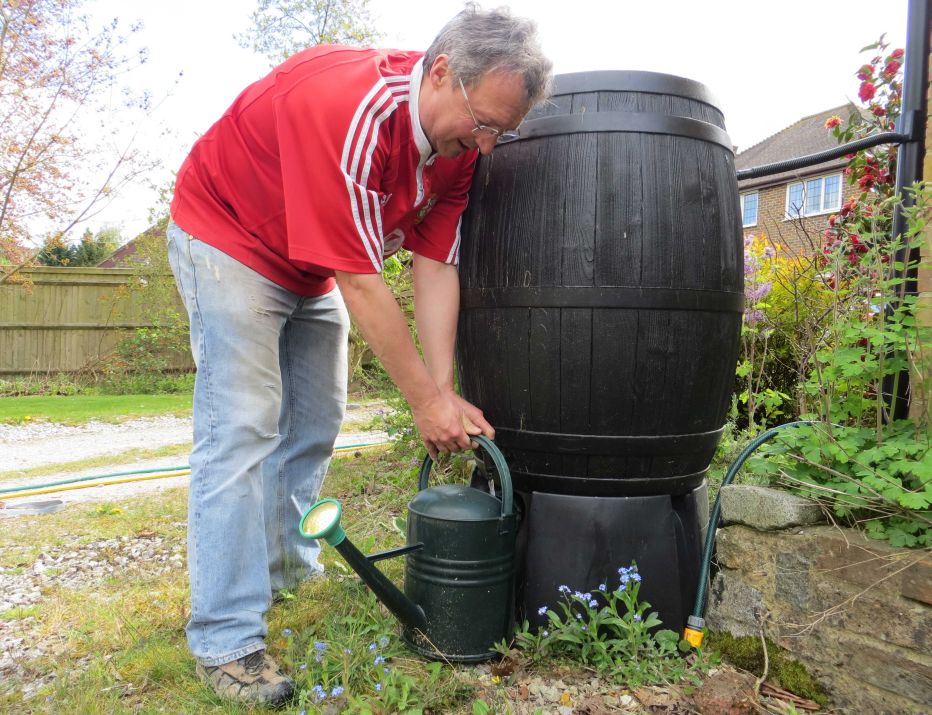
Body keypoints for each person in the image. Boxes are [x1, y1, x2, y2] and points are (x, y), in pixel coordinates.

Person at [165, 3, 552, 707]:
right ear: (441, 72)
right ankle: (225, 636)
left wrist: (442, 387)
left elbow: (434, 265)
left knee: (317, 417)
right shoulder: (346, 109)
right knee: (244, 428)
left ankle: (285, 569)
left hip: (305, 261)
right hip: (227, 234)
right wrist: (424, 402)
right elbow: (361, 278)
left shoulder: (457, 149)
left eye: (504, 131)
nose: (490, 145)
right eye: (486, 123)